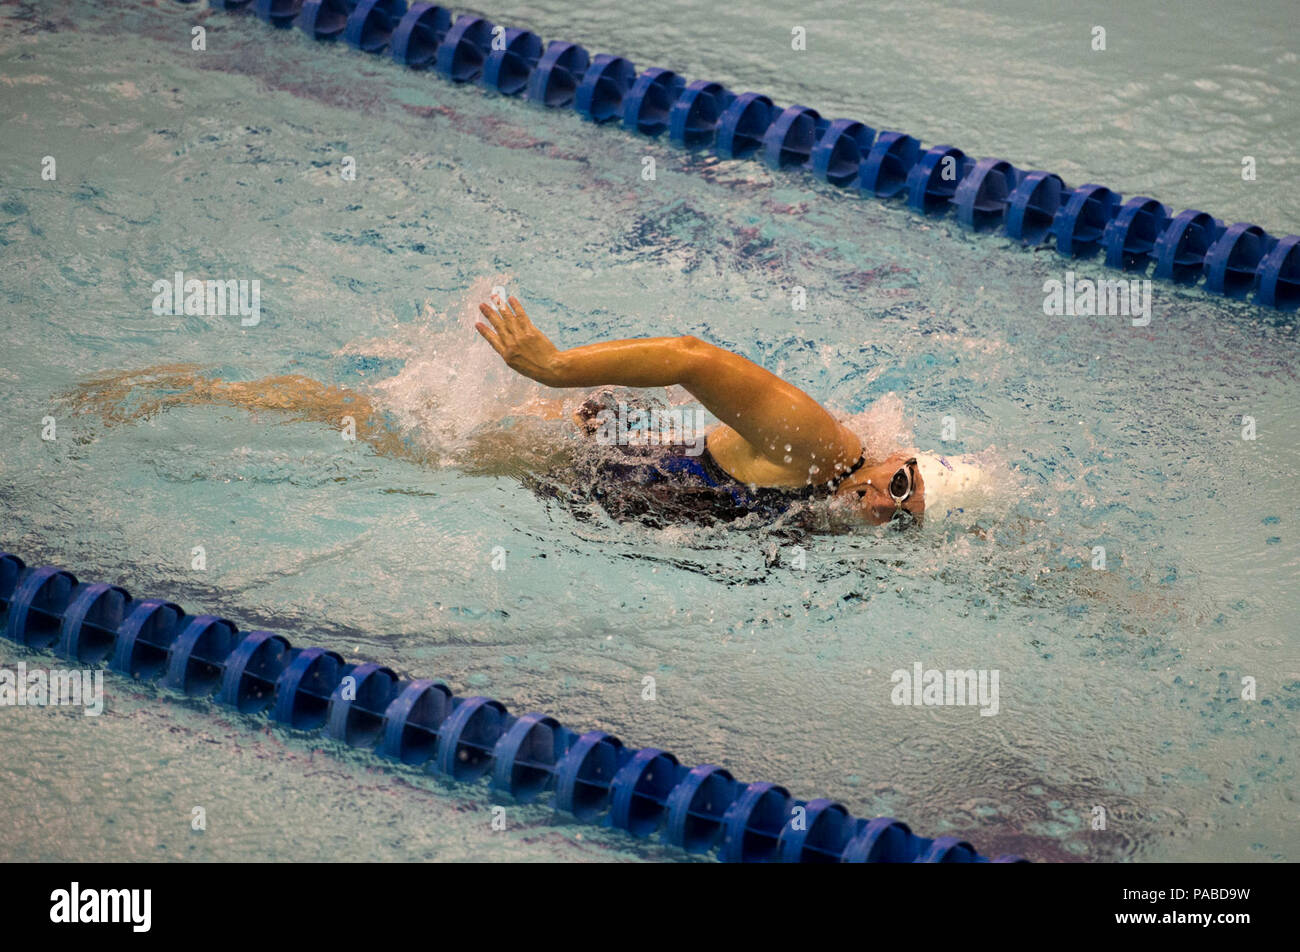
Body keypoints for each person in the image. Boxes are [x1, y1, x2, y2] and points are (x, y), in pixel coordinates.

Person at [476, 296, 925, 527]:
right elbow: (691, 358)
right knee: (437, 442)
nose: (884, 505)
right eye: (901, 485)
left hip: (638, 470)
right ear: (898, 456)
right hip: (601, 449)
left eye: (901, 521)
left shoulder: (838, 513)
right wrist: (554, 367)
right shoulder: (817, 447)